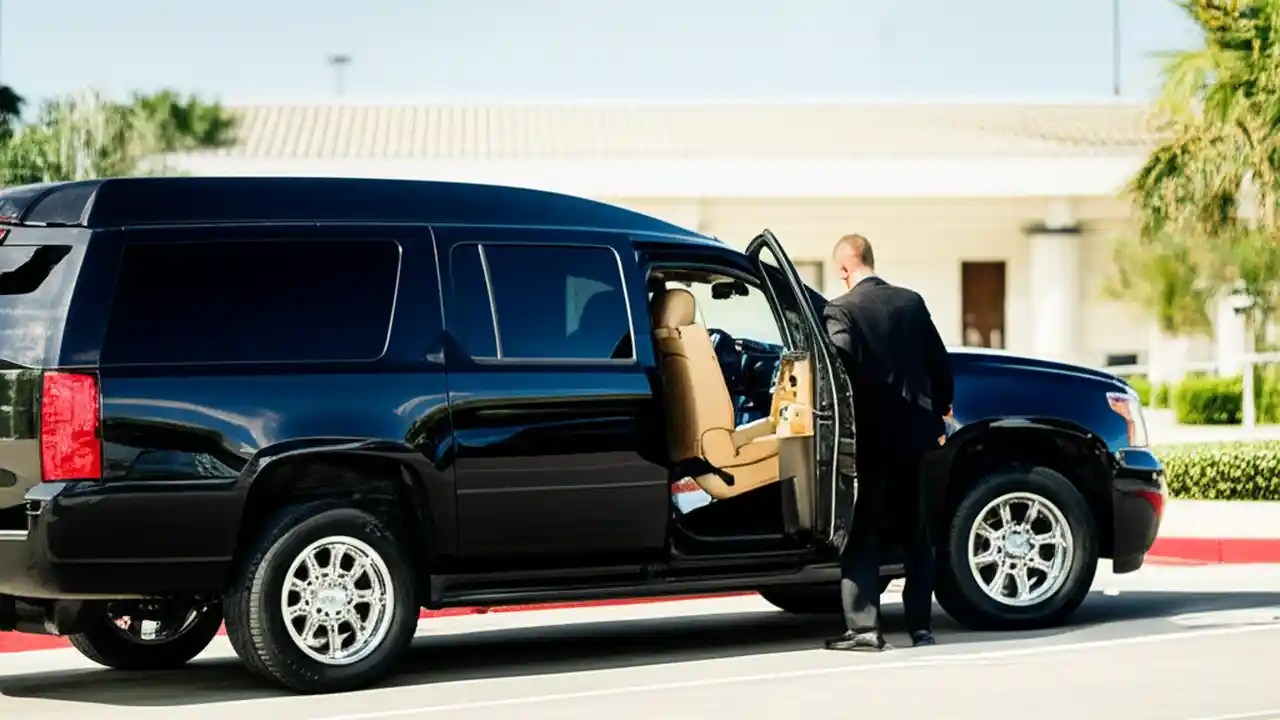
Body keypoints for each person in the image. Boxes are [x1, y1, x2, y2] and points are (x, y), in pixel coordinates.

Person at [821, 233, 953, 652]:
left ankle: (864, 629)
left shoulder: (841, 309)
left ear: (844, 268)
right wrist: (942, 410)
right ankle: (921, 627)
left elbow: (837, 372)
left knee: (863, 533)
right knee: (918, 533)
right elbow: (940, 364)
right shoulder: (911, 302)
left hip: (868, 441)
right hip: (916, 436)